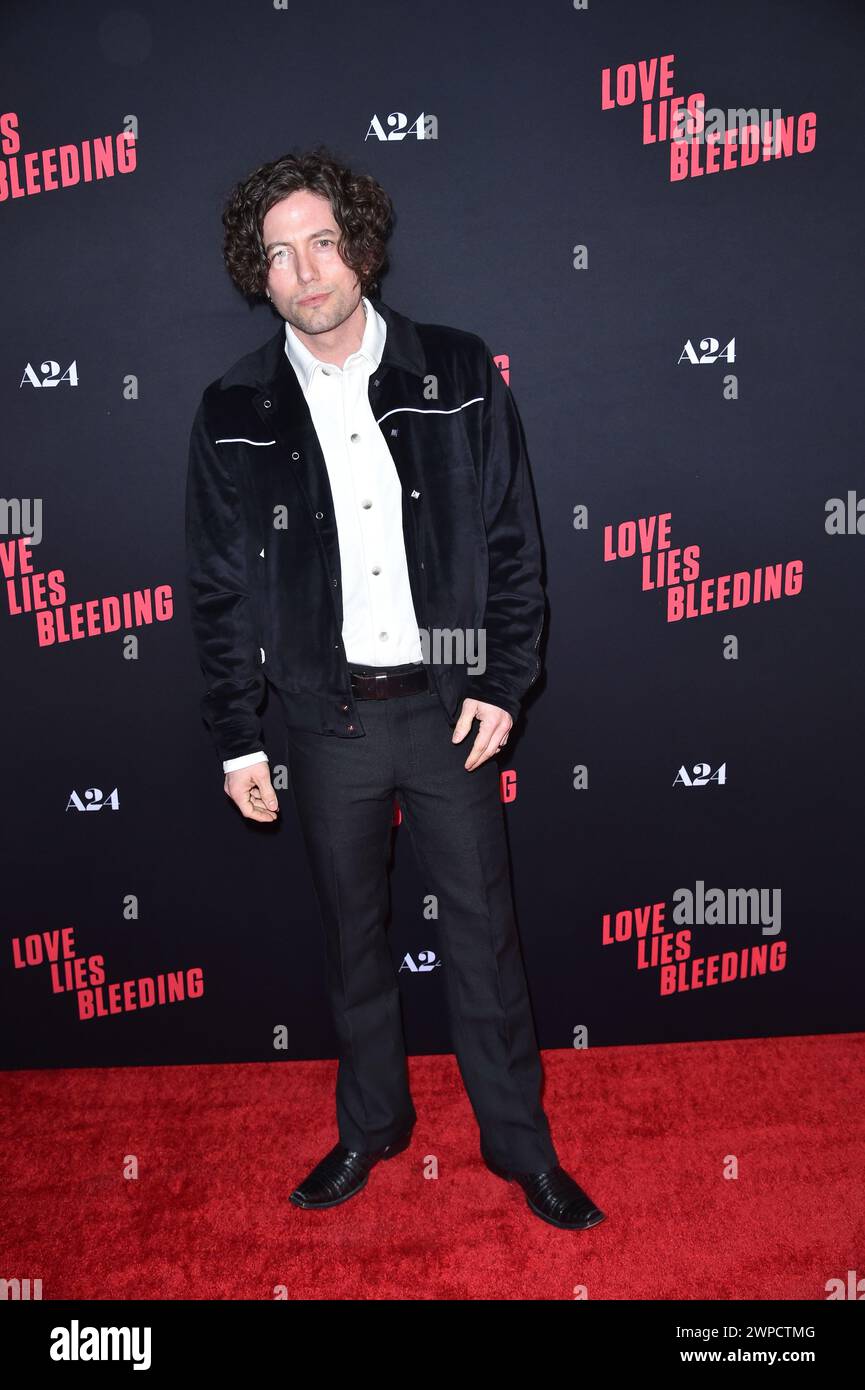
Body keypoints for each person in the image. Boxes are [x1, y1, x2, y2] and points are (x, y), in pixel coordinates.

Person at [185, 145, 605, 1232]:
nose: (305, 271)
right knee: (352, 940)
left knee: (483, 939)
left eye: (321, 241)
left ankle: (521, 1146)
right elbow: (219, 587)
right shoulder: (234, 406)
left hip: (447, 708)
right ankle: (372, 1126)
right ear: (258, 275)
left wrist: (504, 680)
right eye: (278, 255)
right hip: (326, 722)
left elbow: (514, 544)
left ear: (359, 245)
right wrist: (238, 738)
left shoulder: (457, 371)